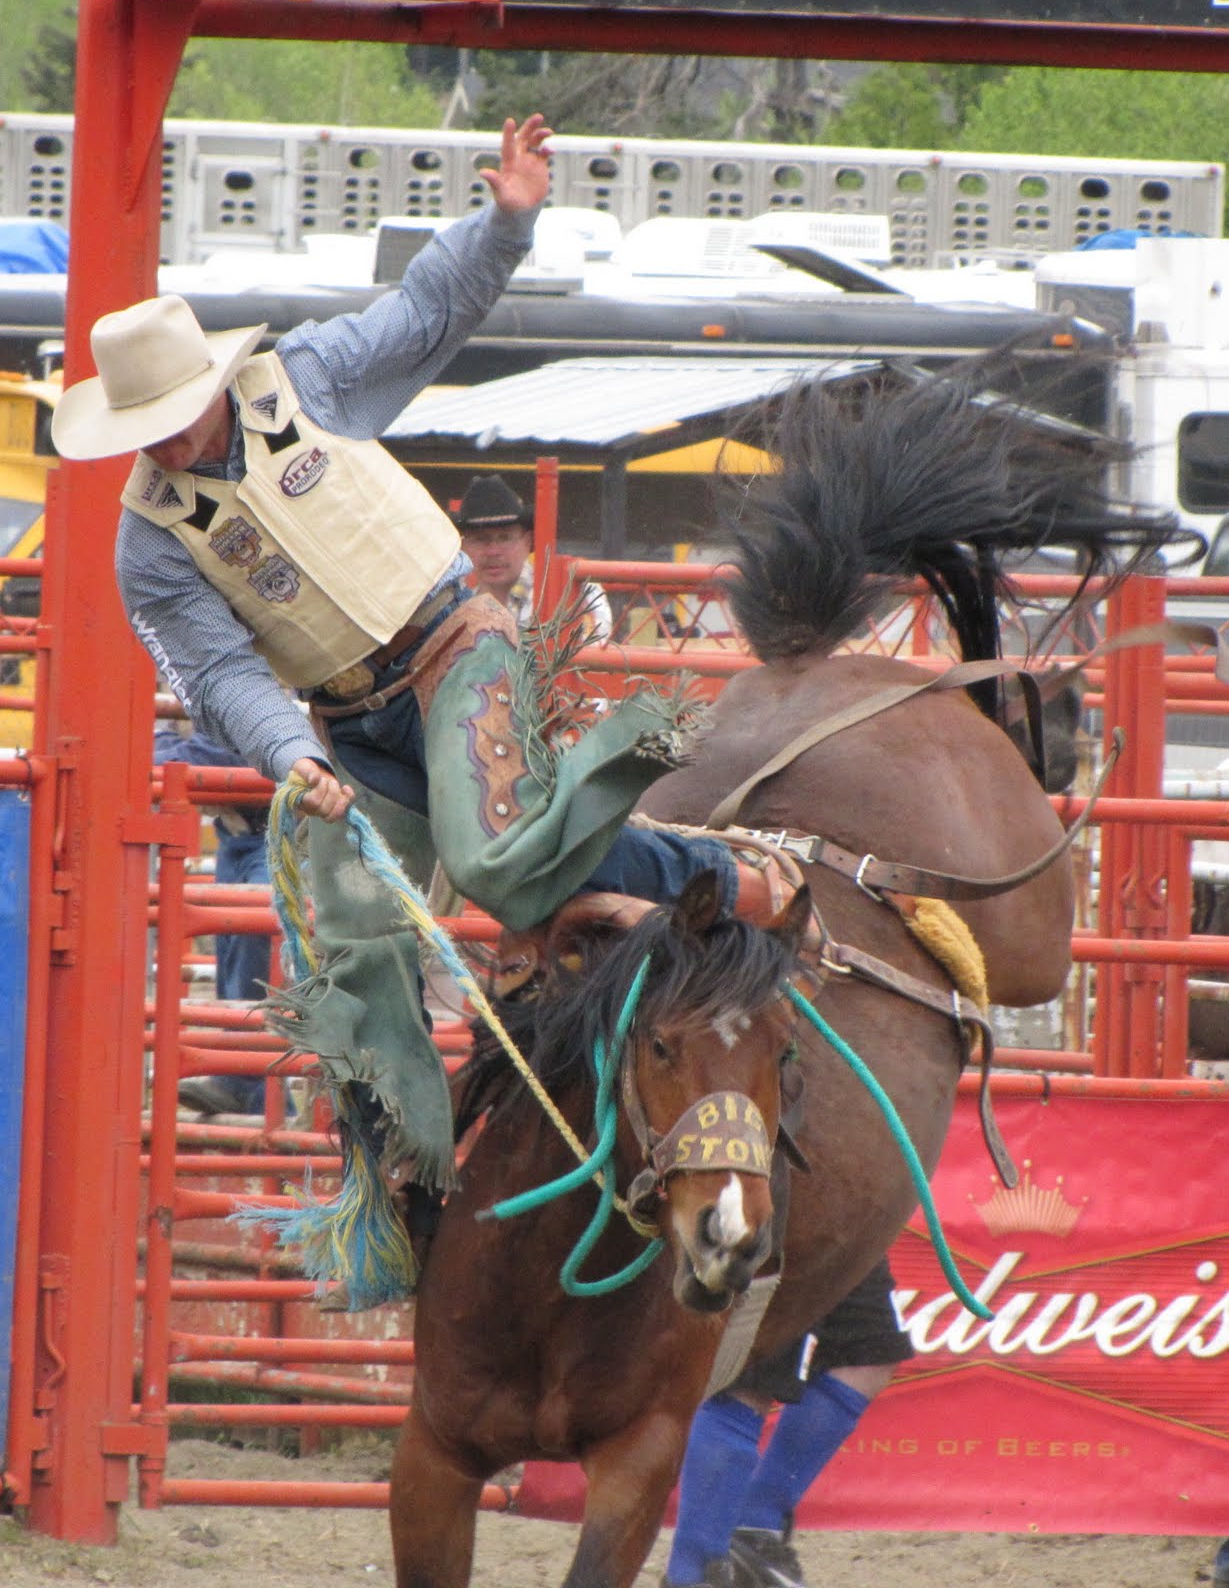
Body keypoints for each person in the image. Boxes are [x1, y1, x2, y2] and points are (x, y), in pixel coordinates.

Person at [49, 112, 751, 1211]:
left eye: (176, 412)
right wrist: (289, 754)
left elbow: (423, 311)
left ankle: (719, 877)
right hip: (346, 721)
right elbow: (219, 673)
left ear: (211, 384)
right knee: (347, 940)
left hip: (456, 643)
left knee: (488, 858)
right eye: (149, 424)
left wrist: (503, 226)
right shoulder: (150, 543)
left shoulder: (307, 378)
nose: (168, 438)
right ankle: (404, 1171)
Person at [664, 1260, 912, 1588]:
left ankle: (755, 1528)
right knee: (746, 1384)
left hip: (851, 1235)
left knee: (870, 1352)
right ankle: (692, 1574)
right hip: (774, 1237)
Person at [154, 721, 272, 1116]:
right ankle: (258, 1095)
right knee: (235, 953)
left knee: (254, 938)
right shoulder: (211, 702)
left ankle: (243, 1082)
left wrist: (152, 742)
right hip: (239, 834)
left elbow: (199, 759)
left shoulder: (231, 703)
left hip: (271, 834)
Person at [455, 472, 613, 641]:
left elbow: (591, 647)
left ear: (528, 541)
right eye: (481, 539)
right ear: (463, 548)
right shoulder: (453, 608)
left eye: (505, 538)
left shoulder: (576, 587)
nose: (493, 551)